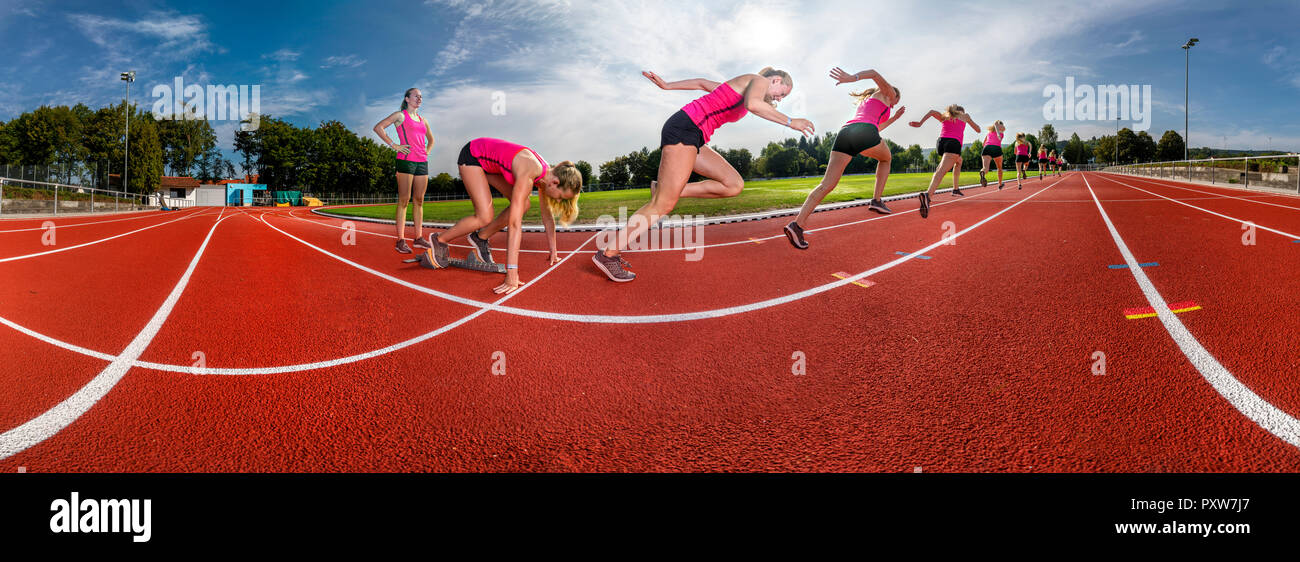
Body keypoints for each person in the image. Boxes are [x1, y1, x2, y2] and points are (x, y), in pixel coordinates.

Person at [591, 68, 814, 281]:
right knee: (662, 206)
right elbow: (755, 104)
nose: (780, 99)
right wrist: (790, 121)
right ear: (775, 79)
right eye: (782, 93)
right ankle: (608, 254)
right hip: (685, 128)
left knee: (733, 184)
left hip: (695, 135)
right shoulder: (759, 80)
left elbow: (702, 84)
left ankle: (665, 189)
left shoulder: (741, 87)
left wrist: (668, 86)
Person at [425, 137, 582, 294]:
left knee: (525, 204)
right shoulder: (530, 171)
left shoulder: (545, 176)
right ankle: (439, 239)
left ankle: (480, 238)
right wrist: (512, 272)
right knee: (484, 216)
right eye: (560, 196)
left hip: (489, 166)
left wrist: (553, 250)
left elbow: (547, 216)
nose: (557, 199)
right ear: (554, 182)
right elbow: (514, 224)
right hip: (473, 156)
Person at [784, 67, 904, 249]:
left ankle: (797, 225)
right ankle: (877, 200)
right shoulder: (887, 92)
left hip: (846, 133)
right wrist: (851, 78)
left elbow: (876, 129)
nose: (895, 102)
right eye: (896, 99)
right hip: (864, 132)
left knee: (827, 185)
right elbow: (873, 73)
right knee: (886, 159)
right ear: (892, 94)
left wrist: (894, 118)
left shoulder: (871, 103)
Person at [373, 88, 435, 253]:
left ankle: (418, 238)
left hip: (422, 162)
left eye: (421, 96)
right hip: (406, 161)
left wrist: (426, 153)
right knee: (404, 200)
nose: (419, 98)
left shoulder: (423, 120)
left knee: (419, 200)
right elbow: (378, 128)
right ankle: (400, 240)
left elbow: (431, 140)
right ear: (407, 99)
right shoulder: (400, 115)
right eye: (416, 96)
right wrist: (395, 145)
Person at [909, 105, 980, 218]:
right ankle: (928, 196)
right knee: (941, 170)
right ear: (961, 112)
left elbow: (932, 111)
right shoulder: (964, 116)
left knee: (958, 160)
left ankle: (955, 189)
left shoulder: (945, 116)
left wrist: (920, 123)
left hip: (941, 143)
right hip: (953, 143)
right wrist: (969, 120)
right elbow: (978, 130)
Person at [979, 120, 1006, 189]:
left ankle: (983, 172)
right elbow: (999, 136)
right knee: (999, 168)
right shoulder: (1001, 133)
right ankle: (1000, 184)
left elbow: (983, 144)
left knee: (985, 168)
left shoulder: (989, 133)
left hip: (987, 148)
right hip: (996, 148)